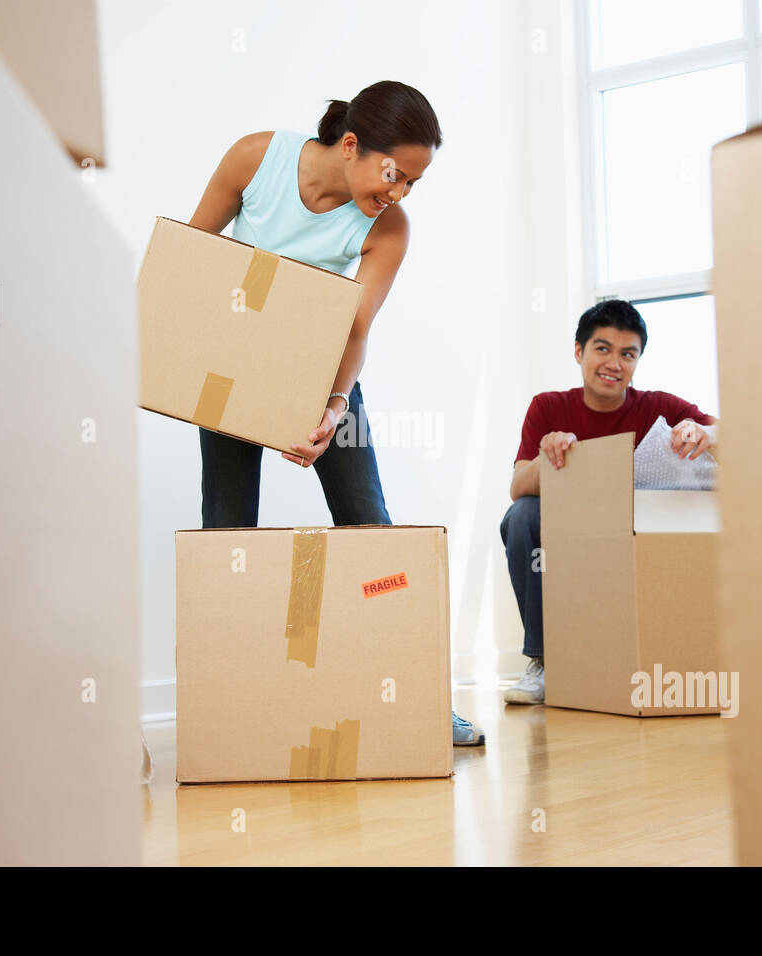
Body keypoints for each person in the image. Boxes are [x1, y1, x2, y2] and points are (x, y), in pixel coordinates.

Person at [187, 81, 485, 745]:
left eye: (413, 182)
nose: (399, 193)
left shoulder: (388, 226)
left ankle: (421, 699)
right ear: (351, 146)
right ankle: (225, 710)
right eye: (393, 174)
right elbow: (190, 264)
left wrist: (332, 406)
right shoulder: (254, 160)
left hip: (326, 379)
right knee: (227, 537)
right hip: (236, 373)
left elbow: (353, 329)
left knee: (370, 532)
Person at [501, 299, 718, 704]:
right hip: (575, 535)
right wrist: (549, 455)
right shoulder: (548, 406)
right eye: (602, 349)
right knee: (522, 514)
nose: (614, 363)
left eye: (627, 354)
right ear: (579, 352)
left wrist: (700, 429)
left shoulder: (660, 406)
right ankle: (544, 662)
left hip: (635, 533)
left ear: (638, 361)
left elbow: (726, 432)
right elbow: (517, 487)